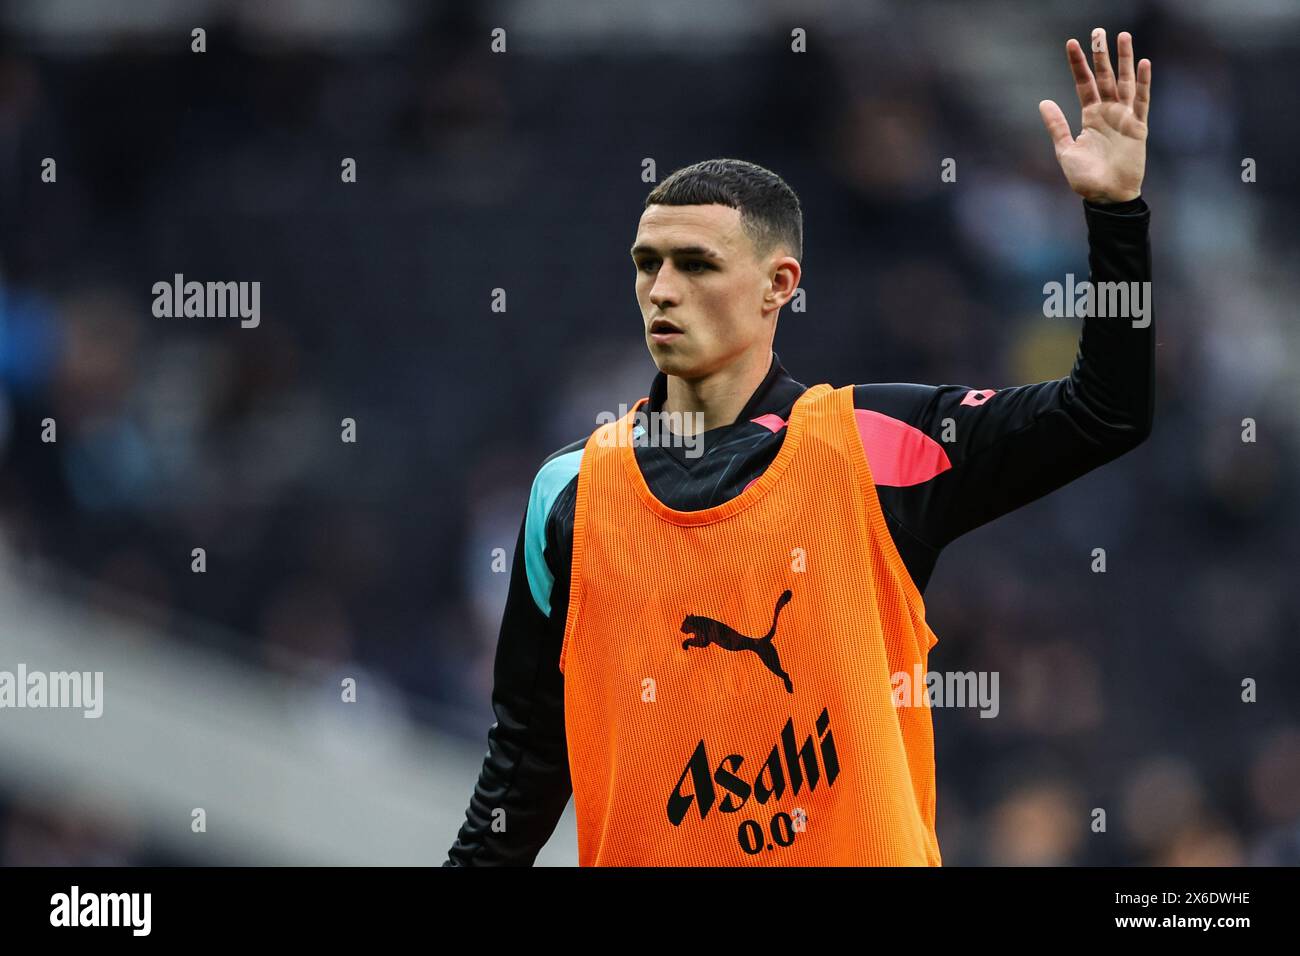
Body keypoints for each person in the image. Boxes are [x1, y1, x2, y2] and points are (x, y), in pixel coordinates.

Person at [446, 27, 1153, 866]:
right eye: (647, 263)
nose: (662, 289)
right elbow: (524, 766)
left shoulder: (872, 445)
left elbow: (1107, 411)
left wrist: (1116, 219)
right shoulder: (566, 497)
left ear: (779, 284)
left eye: (697, 264)